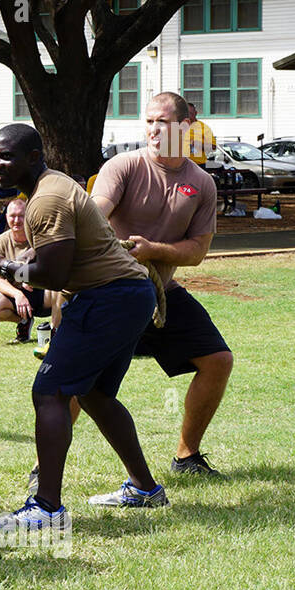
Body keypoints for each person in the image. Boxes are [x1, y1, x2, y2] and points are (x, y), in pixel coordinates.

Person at [0, 123, 167, 532]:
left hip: (109, 298)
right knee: (96, 395)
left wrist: (5, 267)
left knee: (49, 392)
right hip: (128, 295)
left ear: (33, 158)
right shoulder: (52, 184)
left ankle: (46, 507)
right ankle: (145, 488)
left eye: (5, 156)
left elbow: (51, 272)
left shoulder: (45, 199)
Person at [92, 92, 232, 477]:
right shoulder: (123, 166)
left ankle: (186, 457)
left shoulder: (200, 183)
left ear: (187, 125)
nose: (154, 130)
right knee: (80, 376)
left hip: (161, 295)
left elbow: (196, 252)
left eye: (164, 122)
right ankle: (43, 468)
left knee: (217, 361)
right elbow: (96, 212)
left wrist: (153, 249)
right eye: (150, 121)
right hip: (113, 293)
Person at [0, 197, 53, 341]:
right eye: (12, 216)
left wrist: (33, 278)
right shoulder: (1, 240)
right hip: (17, 293)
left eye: (21, 216)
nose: (17, 220)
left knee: (64, 292)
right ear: (6, 217)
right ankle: (24, 322)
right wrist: (17, 294)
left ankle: (56, 328)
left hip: (43, 292)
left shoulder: (40, 237)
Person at [185, 101, 216, 167]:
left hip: (199, 165)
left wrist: (198, 144)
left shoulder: (204, 127)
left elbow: (213, 147)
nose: (187, 116)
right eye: (185, 113)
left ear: (195, 113)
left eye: (190, 113)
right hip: (181, 165)